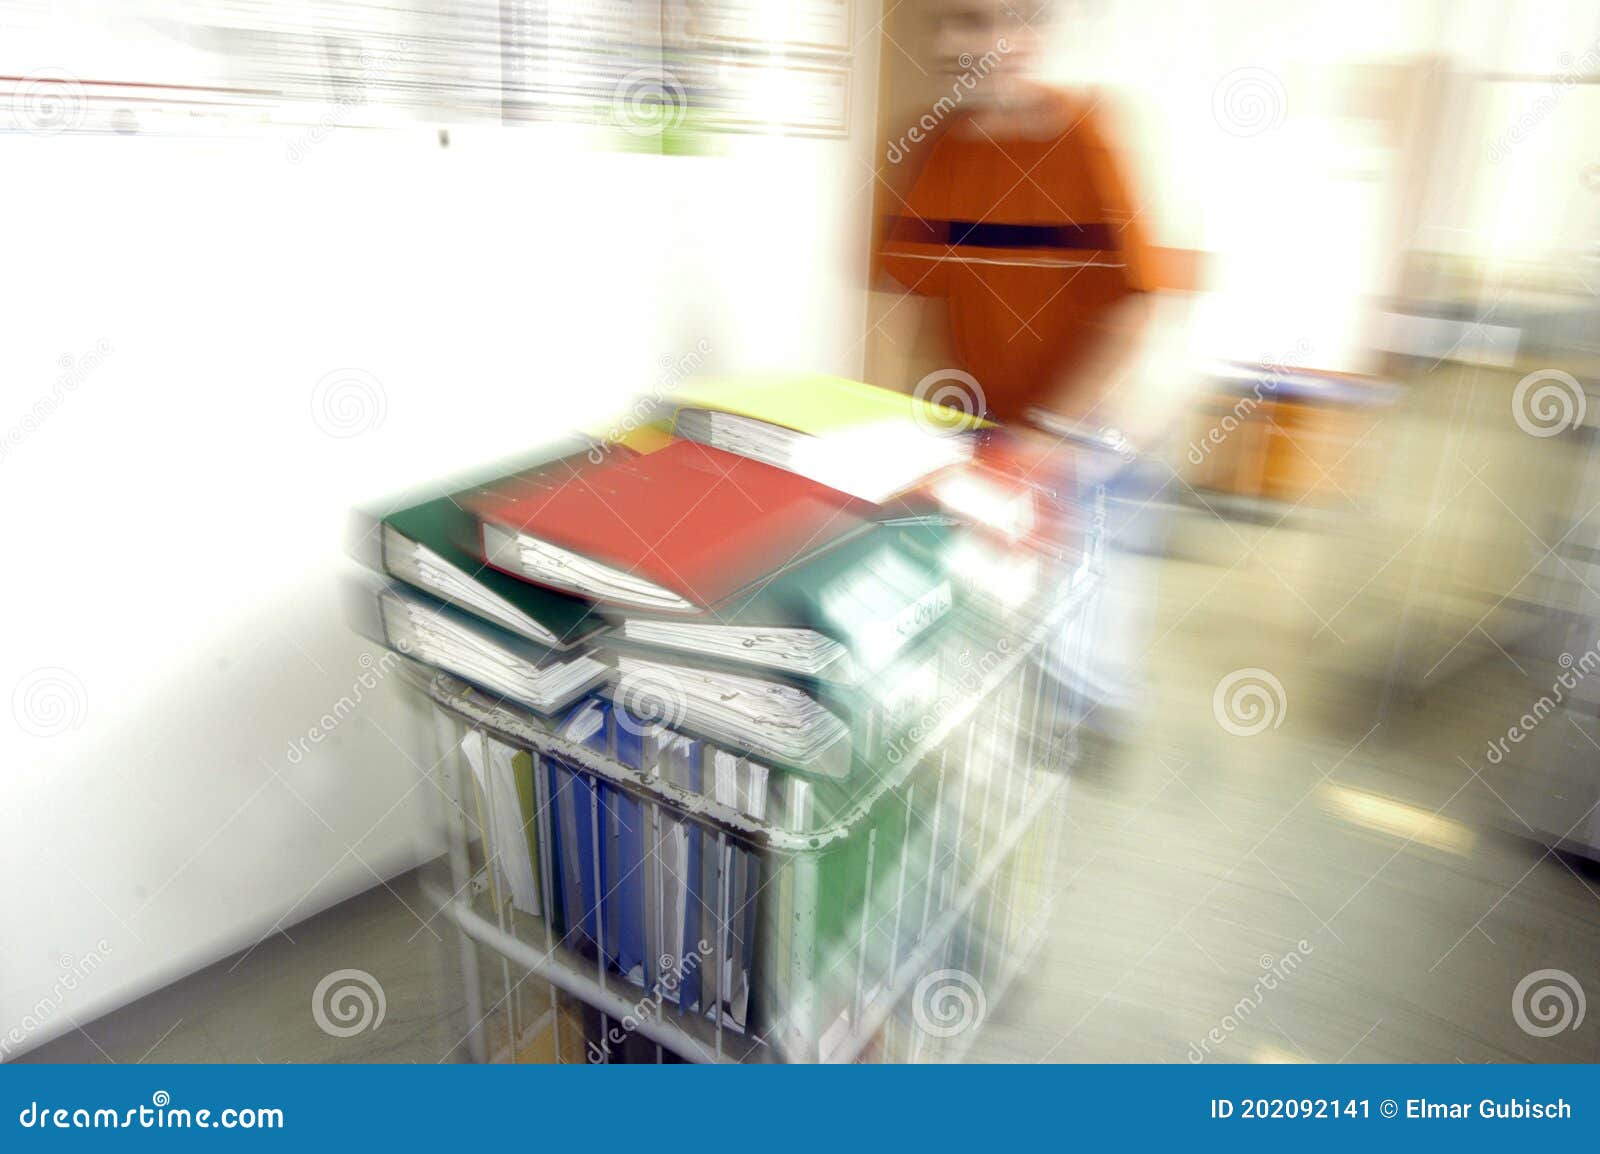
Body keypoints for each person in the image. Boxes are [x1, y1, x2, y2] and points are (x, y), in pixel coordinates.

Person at [877, 0, 1175, 724]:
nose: (955, 44)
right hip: (984, 421)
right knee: (988, 611)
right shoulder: (941, 145)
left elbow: (1131, 306)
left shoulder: (1088, 137)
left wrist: (1049, 436)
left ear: (1033, 35)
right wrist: (925, 419)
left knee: (1079, 648)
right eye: (948, 25)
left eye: (981, 23)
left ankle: (1082, 726)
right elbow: (927, 299)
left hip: (1083, 432)